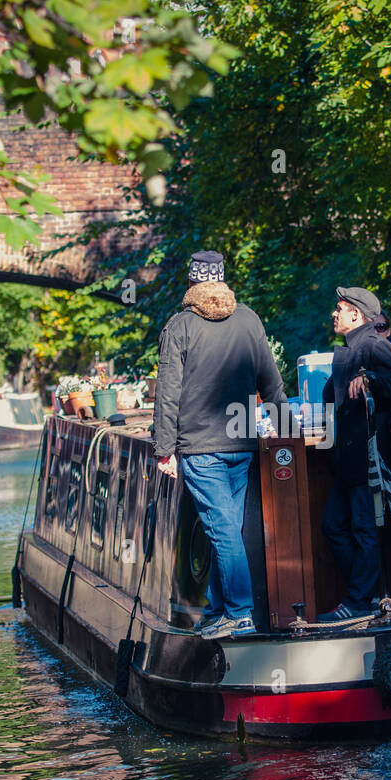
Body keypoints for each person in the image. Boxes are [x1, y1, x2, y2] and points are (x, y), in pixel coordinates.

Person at [153, 250, 290, 640]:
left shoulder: (180, 327)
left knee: (224, 530)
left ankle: (240, 614)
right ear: (223, 280)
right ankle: (216, 611)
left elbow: (167, 394)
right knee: (226, 528)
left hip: (200, 447)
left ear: (192, 282)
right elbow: (271, 383)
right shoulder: (248, 320)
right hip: (242, 442)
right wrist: (288, 430)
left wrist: (164, 449)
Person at [318, 286, 391, 622]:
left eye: (339, 308)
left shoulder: (374, 345)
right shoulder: (351, 348)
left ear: (356, 314)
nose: (334, 313)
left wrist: (369, 379)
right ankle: (366, 595)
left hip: (367, 457)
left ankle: (359, 600)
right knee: (333, 526)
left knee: (364, 529)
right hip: (347, 459)